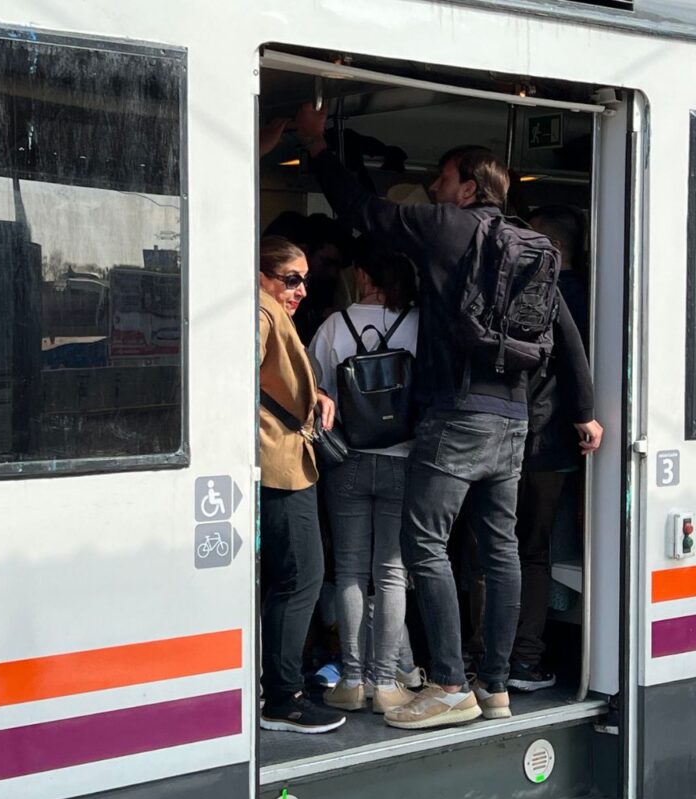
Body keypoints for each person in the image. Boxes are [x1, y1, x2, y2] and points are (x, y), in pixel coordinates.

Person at [295, 105, 604, 731]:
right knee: (502, 551)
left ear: (468, 187)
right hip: (514, 419)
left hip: (457, 414)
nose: (435, 187)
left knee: (423, 545)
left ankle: (447, 684)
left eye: (442, 177)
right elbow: (567, 334)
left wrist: (318, 147)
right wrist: (587, 412)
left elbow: (363, 213)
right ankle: (495, 687)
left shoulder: (446, 227)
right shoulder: (536, 247)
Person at [309, 241, 426, 715]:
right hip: (404, 459)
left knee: (351, 572)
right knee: (392, 573)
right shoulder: (420, 324)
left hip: (349, 460)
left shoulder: (335, 325)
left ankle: (352, 680)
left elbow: (314, 388)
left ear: (363, 276)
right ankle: (387, 684)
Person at [257, 235, 345, 734]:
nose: (302, 290)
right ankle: (285, 696)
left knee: (287, 580)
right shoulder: (263, 313)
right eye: (291, 279)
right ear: (262, 275)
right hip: (281, 465)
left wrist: (315, 394)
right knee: (302, 577)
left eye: (304, 280)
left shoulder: (269, 313)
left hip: (281, 461)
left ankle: (280, 687)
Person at [509, 206, 591, 692]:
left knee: (512, 549)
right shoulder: (591, 294)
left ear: (551, 249)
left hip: (527, 436)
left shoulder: (547, 291)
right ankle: (525, 659)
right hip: (557, 442)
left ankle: (510, 654)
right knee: (534, 550)